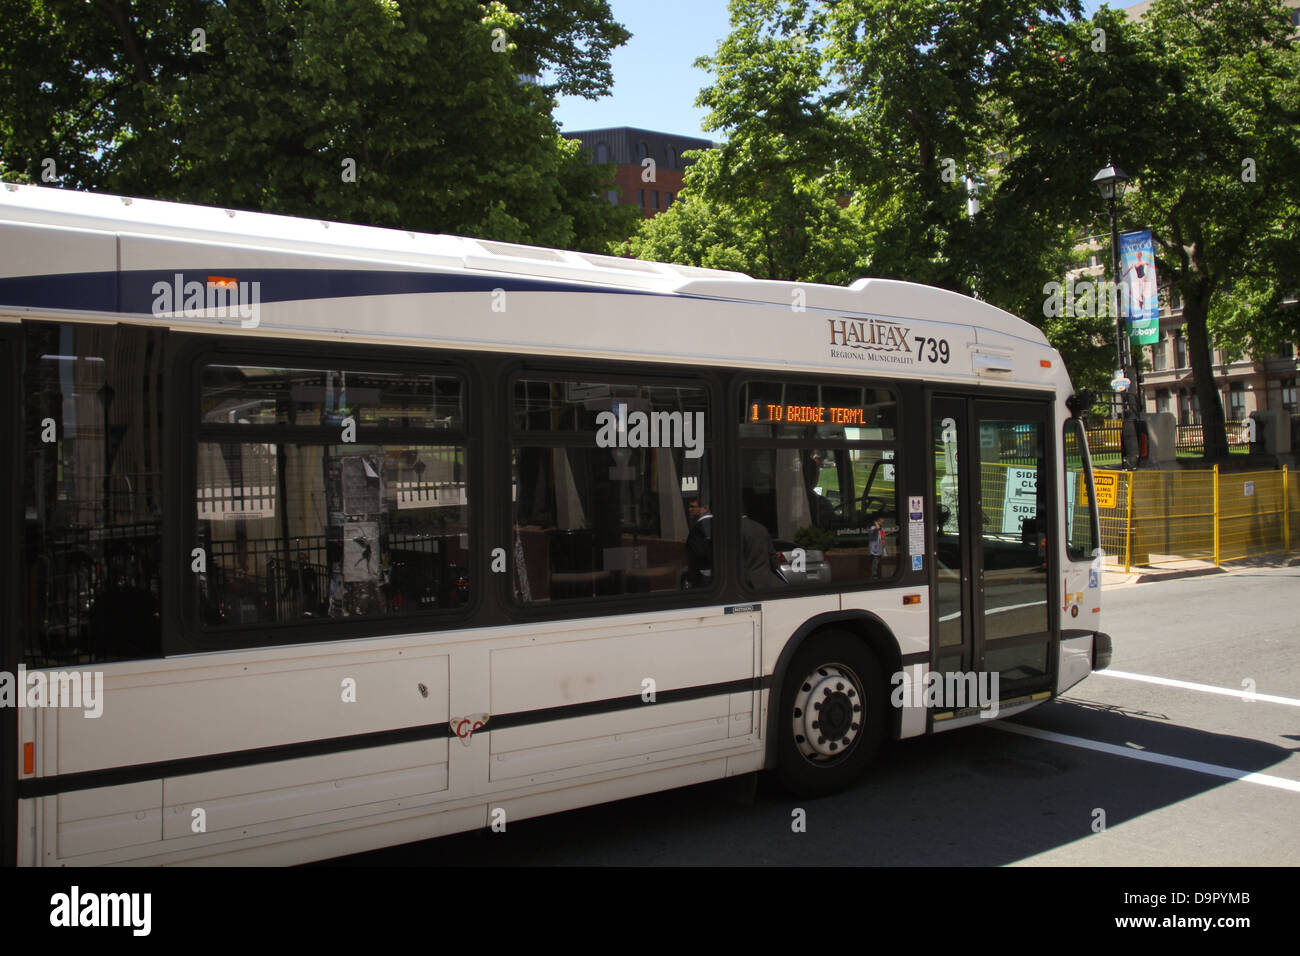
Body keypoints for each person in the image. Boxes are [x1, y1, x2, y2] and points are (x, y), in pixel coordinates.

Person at [684, 498, 713, 588]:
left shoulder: (698, 529)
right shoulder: (719, 523)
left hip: (703, 578)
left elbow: (698, 554)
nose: (690, 509)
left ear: (705, 508)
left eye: (693, 507)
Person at [868, 514, 888, 579]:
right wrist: (876, 523)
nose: (882, 523)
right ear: (877, 521)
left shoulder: (880, 529)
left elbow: (881, 536)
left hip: (879, 549)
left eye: (882, 522)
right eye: (881, 522)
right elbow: (876, 529)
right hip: (875, 550)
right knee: (875, 563)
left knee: (877, 563)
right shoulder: (872, 528)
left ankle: (875, 574)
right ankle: (873, 576)